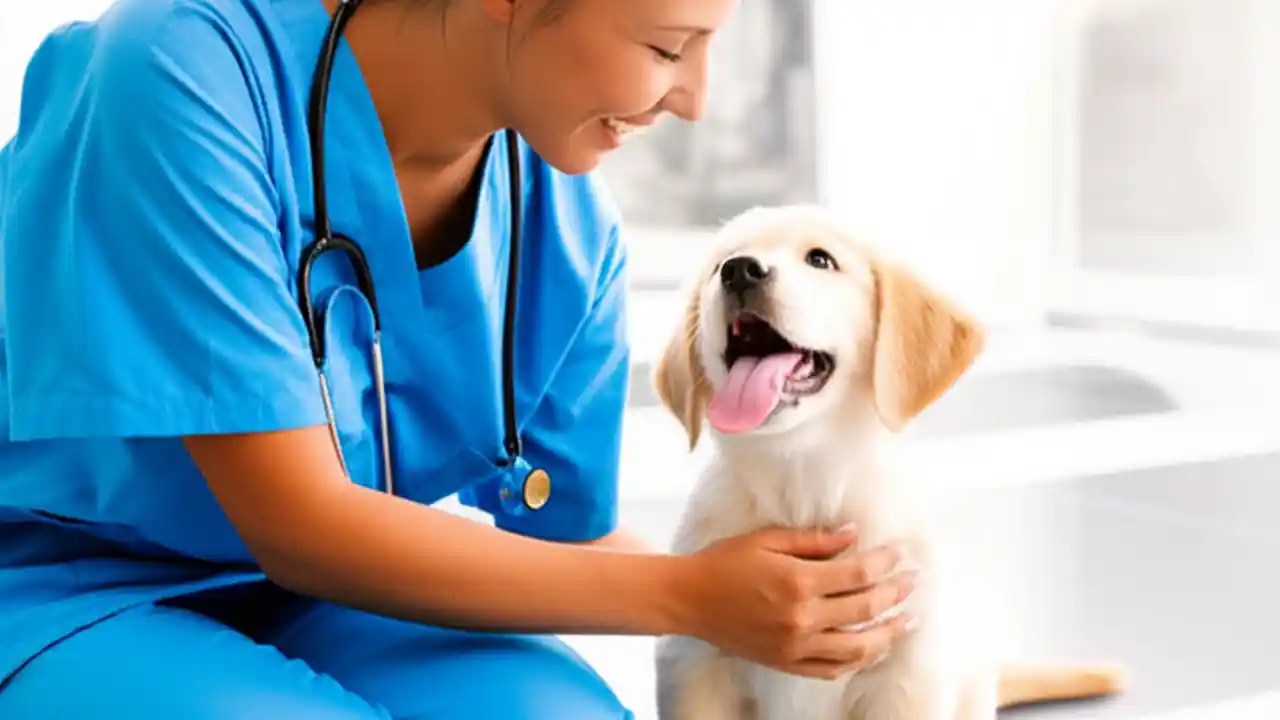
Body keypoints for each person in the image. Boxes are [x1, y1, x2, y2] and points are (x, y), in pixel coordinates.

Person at [0, 0, 919, 717]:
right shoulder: (180, 72)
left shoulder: (563, 226)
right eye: (668, 47)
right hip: (62, 584)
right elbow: (296, 523)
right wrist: (692, 596)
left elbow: (573, 539)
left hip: (335, 598)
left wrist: (806, 607)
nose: (696, 99)